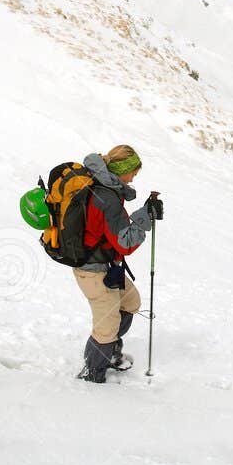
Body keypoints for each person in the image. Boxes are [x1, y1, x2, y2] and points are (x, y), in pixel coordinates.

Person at [73, 145, 161, 383]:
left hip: (103, 265)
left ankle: (109, 351)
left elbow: (112, 231)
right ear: (121, 170)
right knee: (106, 325)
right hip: (93, 270)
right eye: (132, 172)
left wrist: (144, 212)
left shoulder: (100, 184)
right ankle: (92, 375)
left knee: (130, 301)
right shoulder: (108, 198)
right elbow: (125, 244)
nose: (133, 177)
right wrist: (145, 219)